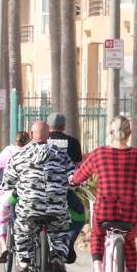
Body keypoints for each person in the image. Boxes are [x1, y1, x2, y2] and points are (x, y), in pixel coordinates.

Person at [70, 116, 137, 272]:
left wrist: (72, 180)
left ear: (110, 133)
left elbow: (79, 177)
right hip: (129, 212)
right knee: (129, 242)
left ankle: (97, 269)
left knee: (97, 234)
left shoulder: (99, 154)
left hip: (105, 211)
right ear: (129, 134)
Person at [0, 121, 74, 272]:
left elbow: (8, 181)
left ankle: (25, 259)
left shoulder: (19, 156)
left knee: (22, 227)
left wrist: (8, 186)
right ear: (48, 136)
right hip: (56, 209)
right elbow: (73, 178)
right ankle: (57, 259)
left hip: (29, 208)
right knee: (61, 230)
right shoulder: (61, 155)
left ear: (31, 135)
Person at [0, 131, 30, 262]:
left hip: (8, 193)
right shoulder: (31, 151)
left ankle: (4, 247)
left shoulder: (8, 151)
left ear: (15, 141)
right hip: (28, 193)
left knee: (0, 218)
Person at [48, 113, 86, 264]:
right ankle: (68, 242)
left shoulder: (42, 142)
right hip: (65, 190)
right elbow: (77, 167)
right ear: (64, 127)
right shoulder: (73, 142)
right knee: (79, 214)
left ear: (48, 126)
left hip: (40, 192)